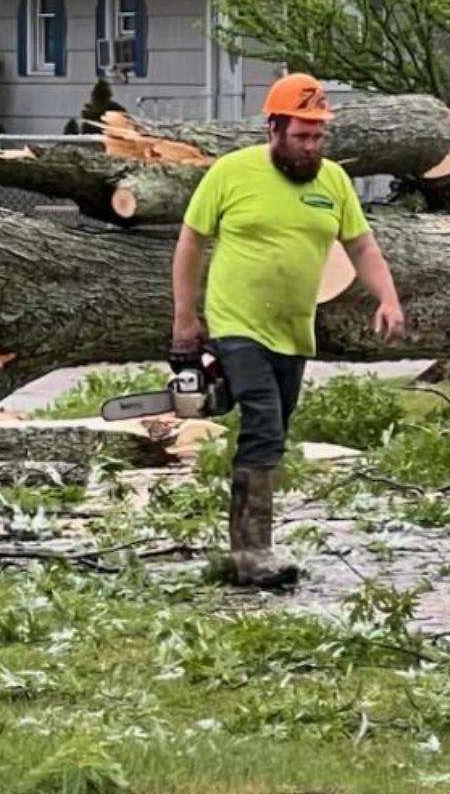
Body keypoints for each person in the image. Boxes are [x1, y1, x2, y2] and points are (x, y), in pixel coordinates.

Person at [172, 72, 405, 588]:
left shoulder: (332, 183)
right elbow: (191, 242)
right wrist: (185, 319)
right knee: (264, 420)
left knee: (274, 430)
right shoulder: (231, 173)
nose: (311, 146)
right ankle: (251, 553)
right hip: (237, 320)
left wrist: (388, 297)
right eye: (302, 135)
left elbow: (362, 246)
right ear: (273, 129)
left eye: (319, 136)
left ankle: (251, 541)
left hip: (293, 331)